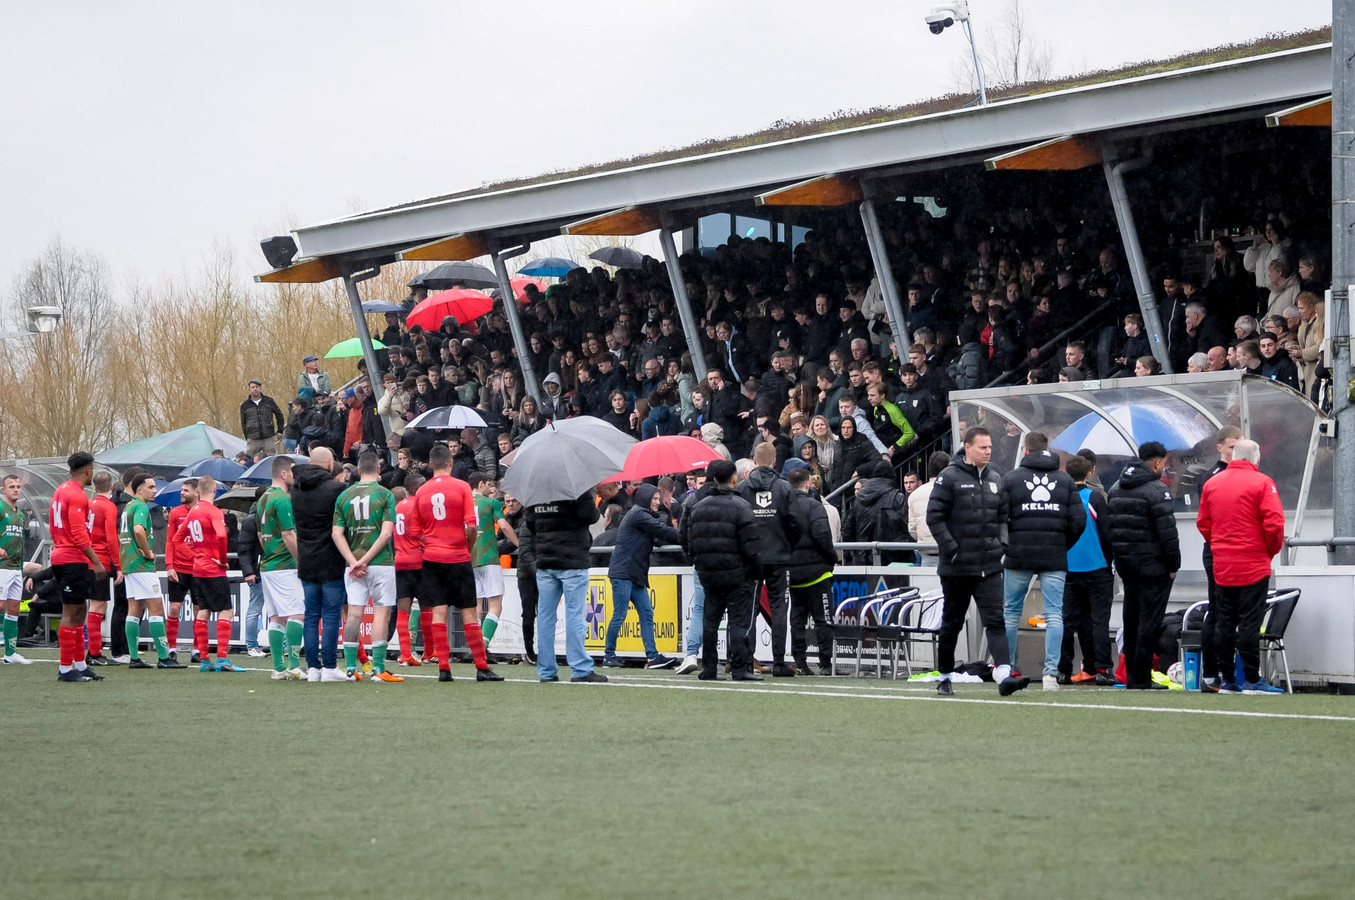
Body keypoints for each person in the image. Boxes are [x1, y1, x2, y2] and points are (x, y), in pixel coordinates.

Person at [926, 427, 1027, 697]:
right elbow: (934, 517)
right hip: (957, 567)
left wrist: (1001, 545)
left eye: (990, 446)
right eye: (983, 447)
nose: (988, 451)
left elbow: (1003, 517)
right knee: (952, 623)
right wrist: (952, 549)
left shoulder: (996, 478)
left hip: (990, 565)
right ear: (967, 447)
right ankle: (945, 675)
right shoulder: (948, 478)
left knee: (995, 621)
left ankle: (1004, 674)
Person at [1197, 439, 1286, 694]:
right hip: (1253, 562)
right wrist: (1270, 551)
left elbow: (1204, 522)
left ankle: (1226, 679)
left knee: (1224, 621)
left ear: (1234, 455)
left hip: (1223, 564)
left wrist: (1219, 545)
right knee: (1250, 621)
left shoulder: (1213, 483)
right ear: (1256, 459)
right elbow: (1274, 524)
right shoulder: (1263, 483)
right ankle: (1251, 678)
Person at [999, 433, 1084, 692]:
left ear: (1025, 450)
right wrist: (1061, 544)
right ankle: (1050, 675)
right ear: (1047, 449)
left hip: (1018, 555)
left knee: (1011, 613)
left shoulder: (1011, 479)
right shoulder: (1065, 479)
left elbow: (999, 518)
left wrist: (1010, 543)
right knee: (1054, 614)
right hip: (1053, 557)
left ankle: (1008, 669)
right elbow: (1078, 522)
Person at [413, 443, 501, 682]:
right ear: (450, 462)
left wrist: (431, 543)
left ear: (430, 464)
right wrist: (467, 547)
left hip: (432, 559)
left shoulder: (421, 492)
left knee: (438, 613)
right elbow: (472, 526)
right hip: (458, 557)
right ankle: (481, 668)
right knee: (469, 613)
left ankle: (443, 668)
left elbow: (415, 531)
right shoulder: (462, 487)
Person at [680, 459, 762, 682]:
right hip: (738, 576)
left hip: (709, 575)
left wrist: (698, 563)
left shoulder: (697, 507)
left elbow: (686, 540)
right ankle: (740, 669)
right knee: (739, 624)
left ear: (712, 479)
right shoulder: (742, 507)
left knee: (710, 622)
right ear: (734, 478)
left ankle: (709, 669)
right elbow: (752, 546)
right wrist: (754, 572)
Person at [1106, 442, 1180, 690]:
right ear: (1158, 462)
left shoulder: (1116, 487)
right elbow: (1168, 533)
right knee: (1150, 622)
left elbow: (1111, 529)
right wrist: (1173, 565)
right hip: (1154, 567)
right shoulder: (1157, 490)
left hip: (1127, 565)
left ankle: (1133, 676)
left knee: (1131, 618)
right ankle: (1141, 676)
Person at [332, 451, 402, 683]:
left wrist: (354, 561)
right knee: (382, 613)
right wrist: (366, 560)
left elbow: (336, 533)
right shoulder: (385, 494)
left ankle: (351, 668)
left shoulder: (344, 496)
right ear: (379, 469)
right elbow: (387, 532)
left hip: (352, 566)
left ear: (358, 470)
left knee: (354, 614)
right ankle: (378, 669)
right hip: (380, 563)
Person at [529, 486, 606, 684]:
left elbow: (530, 522)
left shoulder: (536, 489)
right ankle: (580, 668)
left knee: (545, 616)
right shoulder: (576, 486)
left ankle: (546, 670)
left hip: (546, 560)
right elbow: (590, 515)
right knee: (575, 614)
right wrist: (592, 497)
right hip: (572, 559)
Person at [735, 442, 799, 677]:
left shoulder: (742, 488)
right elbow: (795, 522)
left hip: (751, 558)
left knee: (748, 609)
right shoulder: (784, 488)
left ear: (754, 461)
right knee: (780, 608)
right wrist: (788, 545)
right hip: (779, 556)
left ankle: (744, 659)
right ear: (774, 462)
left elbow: (737, 522)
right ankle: (780, 662)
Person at [603, 483, 680, 669]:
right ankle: (608, 656)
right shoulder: (638, 514)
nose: (657, 502)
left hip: (634, 573)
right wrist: (686, 536)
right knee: (620, 615)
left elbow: (659, 534)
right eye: (654, 499)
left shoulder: (642, 514)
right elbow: (662, 531)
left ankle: (652, 657)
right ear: (645, 499)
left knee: (646, 614)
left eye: (658, 498)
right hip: (624, 572)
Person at [292, 447, 350, 683]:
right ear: (329, 465)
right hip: (331, 557)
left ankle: (313, 668)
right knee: (331, 613)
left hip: (306, 557)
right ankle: (330, 666)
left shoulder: (295, 489)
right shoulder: (336, 489)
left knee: (312, 614)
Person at [49, 452, 108, 682]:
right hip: (72, 559)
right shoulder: (77, 494)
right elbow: (78, 532)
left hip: (65, 556)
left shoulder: (60, 490)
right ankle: (65, 669)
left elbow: (55, 529)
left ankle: (80, 665)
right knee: (71, 613)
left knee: (80, 610)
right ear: (88, 470)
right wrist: (96, 561)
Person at [1058, 456, 1115, 685]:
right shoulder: (1095, 497)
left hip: (1069, 568)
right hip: (1096, 566)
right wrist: (1109, 560)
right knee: (1099, 620)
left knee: (1068, 621)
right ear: (1089, 473)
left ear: (1065, 473)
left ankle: (1063, 670)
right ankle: (1102, 669)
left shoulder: (1062, 498)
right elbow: (1106, 533)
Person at [175, 476, 240, 672]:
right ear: (214, 491)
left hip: (198, 569)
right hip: (213, 568)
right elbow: (221, 535)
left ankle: (204, 659)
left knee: (204, 610)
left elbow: (177, 540)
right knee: (226, 610)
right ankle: (222, 659)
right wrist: (222, 559)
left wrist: (194, 555)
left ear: (197, 492)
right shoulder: (214, 511)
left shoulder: (193, 511)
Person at [117, 473, 180, 669]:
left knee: (134, 609)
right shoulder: (141, 506)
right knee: (156, 609)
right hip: (142, 564)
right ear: (139, 489)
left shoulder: (128, 506)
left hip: (129, 563)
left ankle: (134, 657)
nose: (154, 490)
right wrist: (147, 552)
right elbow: (138, 530)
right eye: (151, 487)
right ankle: (163, 658)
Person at [257, 456, 305, 680]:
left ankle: (278, 668)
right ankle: (294, 666)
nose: (295, 476)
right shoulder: (282, 499)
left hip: (268, 563)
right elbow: (288, 533)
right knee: (297, 613)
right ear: (284, 474)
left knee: (276, 617)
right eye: (293, 472)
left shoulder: (263, 498)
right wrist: (301, 560)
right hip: (285, 564)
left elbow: (259, 533)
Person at [785, 467, 835, 676]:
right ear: (808, 484)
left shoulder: (784, 508)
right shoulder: (814, 506)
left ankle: (800, 662)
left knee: (797, 620)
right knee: (823, 619)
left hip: (793, 574)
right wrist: (831, 559)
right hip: (817, 573)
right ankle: (825, 663)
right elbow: (823, 536)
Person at [470, 476, 516, 662]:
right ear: (480, 484)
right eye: (489, 485)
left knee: (476, 606)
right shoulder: (490, 503)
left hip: (468, 559)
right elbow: (503, 525)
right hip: (488, 557)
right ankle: (482, 646)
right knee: (495, 606)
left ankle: (475, 648)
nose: (491, 489)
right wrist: (518, 543)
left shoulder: (462, 503)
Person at [83, 472, 121, 666]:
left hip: (86, 558)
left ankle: (93, 651)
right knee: (98, 606)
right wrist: (118, 565)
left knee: (96, 605)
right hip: (100, 561)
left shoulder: (88, 504)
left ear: (95, 487)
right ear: (111, 487)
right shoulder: (109, 506)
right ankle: (94, 653)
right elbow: (111, 537)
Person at [392, 476, 427, 666]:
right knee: (428, 608)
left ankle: (405, 654)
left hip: (400, 561)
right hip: (419, 561)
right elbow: (423, 533)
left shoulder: (398, 507)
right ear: (415, 487)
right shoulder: (420, 505)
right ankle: (430, 651)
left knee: (403, 610)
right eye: (423, 484)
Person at [164, 478, 199, 662]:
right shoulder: (176, 513)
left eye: (186, 490)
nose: (182, 493)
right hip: (178, 568)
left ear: (197, 492)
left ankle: (197, 650)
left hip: (198, 569)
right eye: (182, 490)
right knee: (174, 608)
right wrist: (169, 566)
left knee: (198, 610)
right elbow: (170, 541)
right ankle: (171, 648)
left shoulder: (203, 512)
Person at [0, 474, 32, 665]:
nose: (16, 489)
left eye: (18, 486)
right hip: (2, 567)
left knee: (13, 610)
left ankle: (10, 653)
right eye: (11, 486)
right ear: (3, 490)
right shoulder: (1, 508)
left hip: (16, 568)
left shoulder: (20, 514)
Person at [908, 452, 949, 567]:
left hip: (926, 555)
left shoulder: (914, 495)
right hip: (951, 555)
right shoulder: (954, 491)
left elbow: (912, 530)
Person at [237, 494, 266, 659]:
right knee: (255, 608)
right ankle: (251, 645)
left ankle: (284, 645)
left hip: (266, 569)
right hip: (257, 570)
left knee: (277, 609)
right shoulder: (251, 520)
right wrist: (248, 571)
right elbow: (244, 548)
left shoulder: (260, 517)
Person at [240, 379, 286, 458]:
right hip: (253, 439)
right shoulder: (245, 405)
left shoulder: (269, 401)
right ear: (249, 389)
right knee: (250, 460)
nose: (255, 389)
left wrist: (280, 431)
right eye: (253, 387)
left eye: (257, 387)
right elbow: (243, 422)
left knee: (270, 459)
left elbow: (279, 415)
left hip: (268, 437)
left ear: (260, 388)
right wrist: (247, 437)